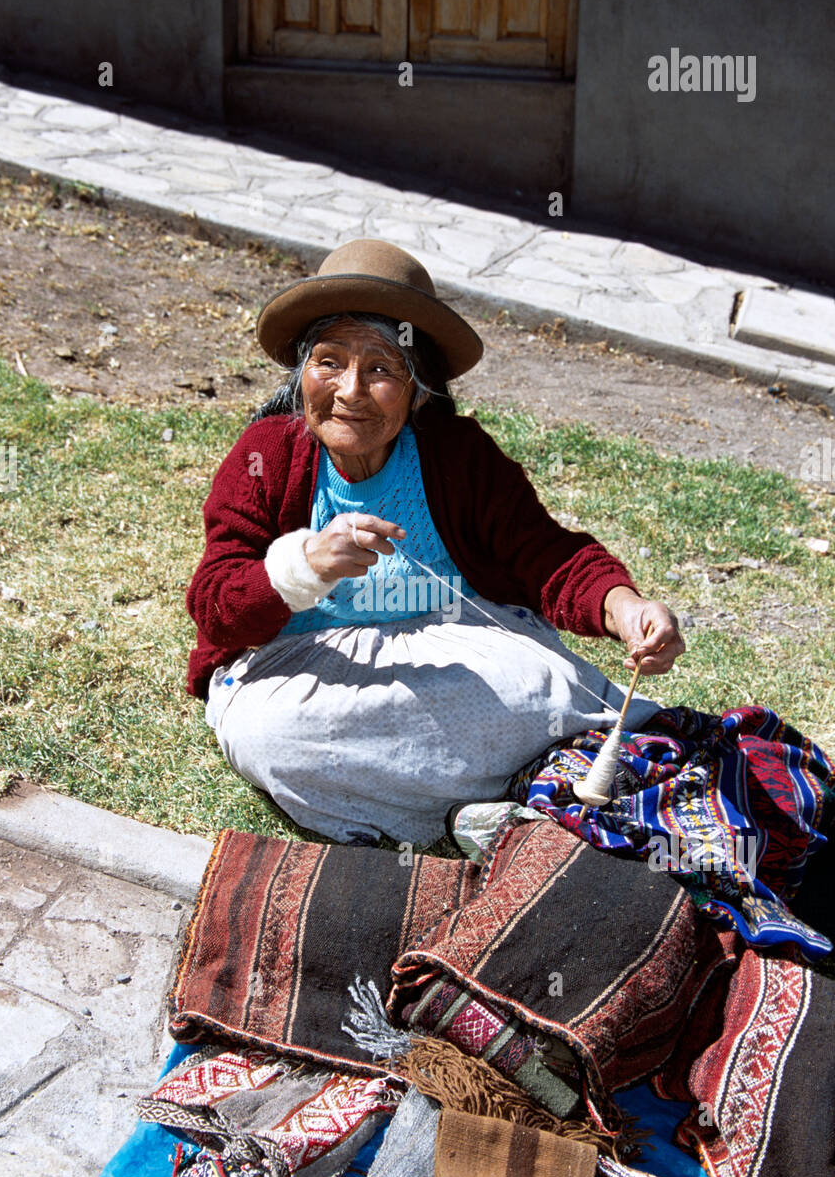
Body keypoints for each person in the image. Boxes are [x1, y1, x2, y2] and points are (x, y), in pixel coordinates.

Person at [186, 240, 685, 845]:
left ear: (420, 388)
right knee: (272, 739)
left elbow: (546, 555)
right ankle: (475, 809)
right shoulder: (268, 455)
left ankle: (472, 812)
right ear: (300, 372)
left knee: (536, 688)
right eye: (328, 362)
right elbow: (215, 606)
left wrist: (623, 607)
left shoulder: (459, 456)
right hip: (309, 674)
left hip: (462, 656)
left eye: (380, 368)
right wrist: (302, 567)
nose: (349, 390)